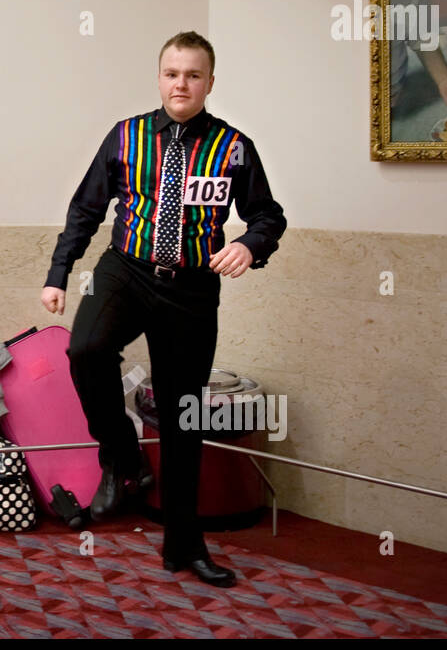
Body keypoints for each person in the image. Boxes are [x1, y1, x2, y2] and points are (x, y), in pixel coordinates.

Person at [41, 32, 286, 588]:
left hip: (192, 290)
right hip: (125, 271)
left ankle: (184, 545)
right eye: (173, 73)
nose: (182, 83)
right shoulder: (125, 136)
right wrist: (59, 273)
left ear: (210, 83)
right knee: (86, 349)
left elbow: (268, 215)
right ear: (159, 78)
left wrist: (250, 244)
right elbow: (85, 208)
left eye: (193, 75)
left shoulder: (234, 146)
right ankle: (123, 459)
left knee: (182, 419)